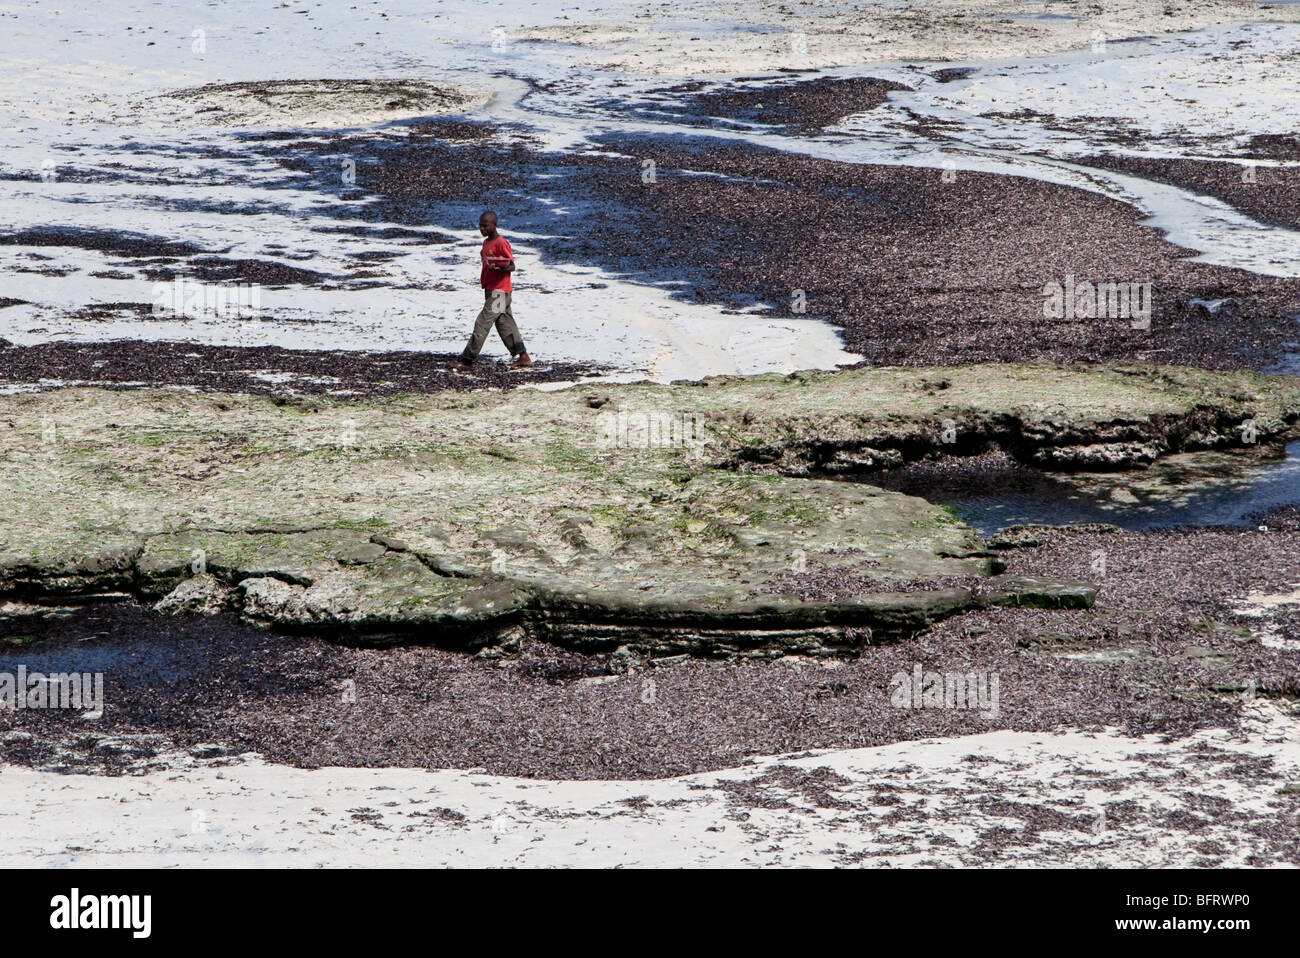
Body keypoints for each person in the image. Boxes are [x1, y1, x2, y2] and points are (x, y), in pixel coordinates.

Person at [454, 210, 532, 369]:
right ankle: (523, 356)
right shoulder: (486, 243)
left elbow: (512, 266)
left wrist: (499, 268)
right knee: (505, 324)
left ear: (494, 225)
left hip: (499, 292)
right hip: (492, 290)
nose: (481, 229)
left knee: (482, 323)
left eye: (485, 226)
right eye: (480, 226)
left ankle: (467, 359)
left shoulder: (501, 243)